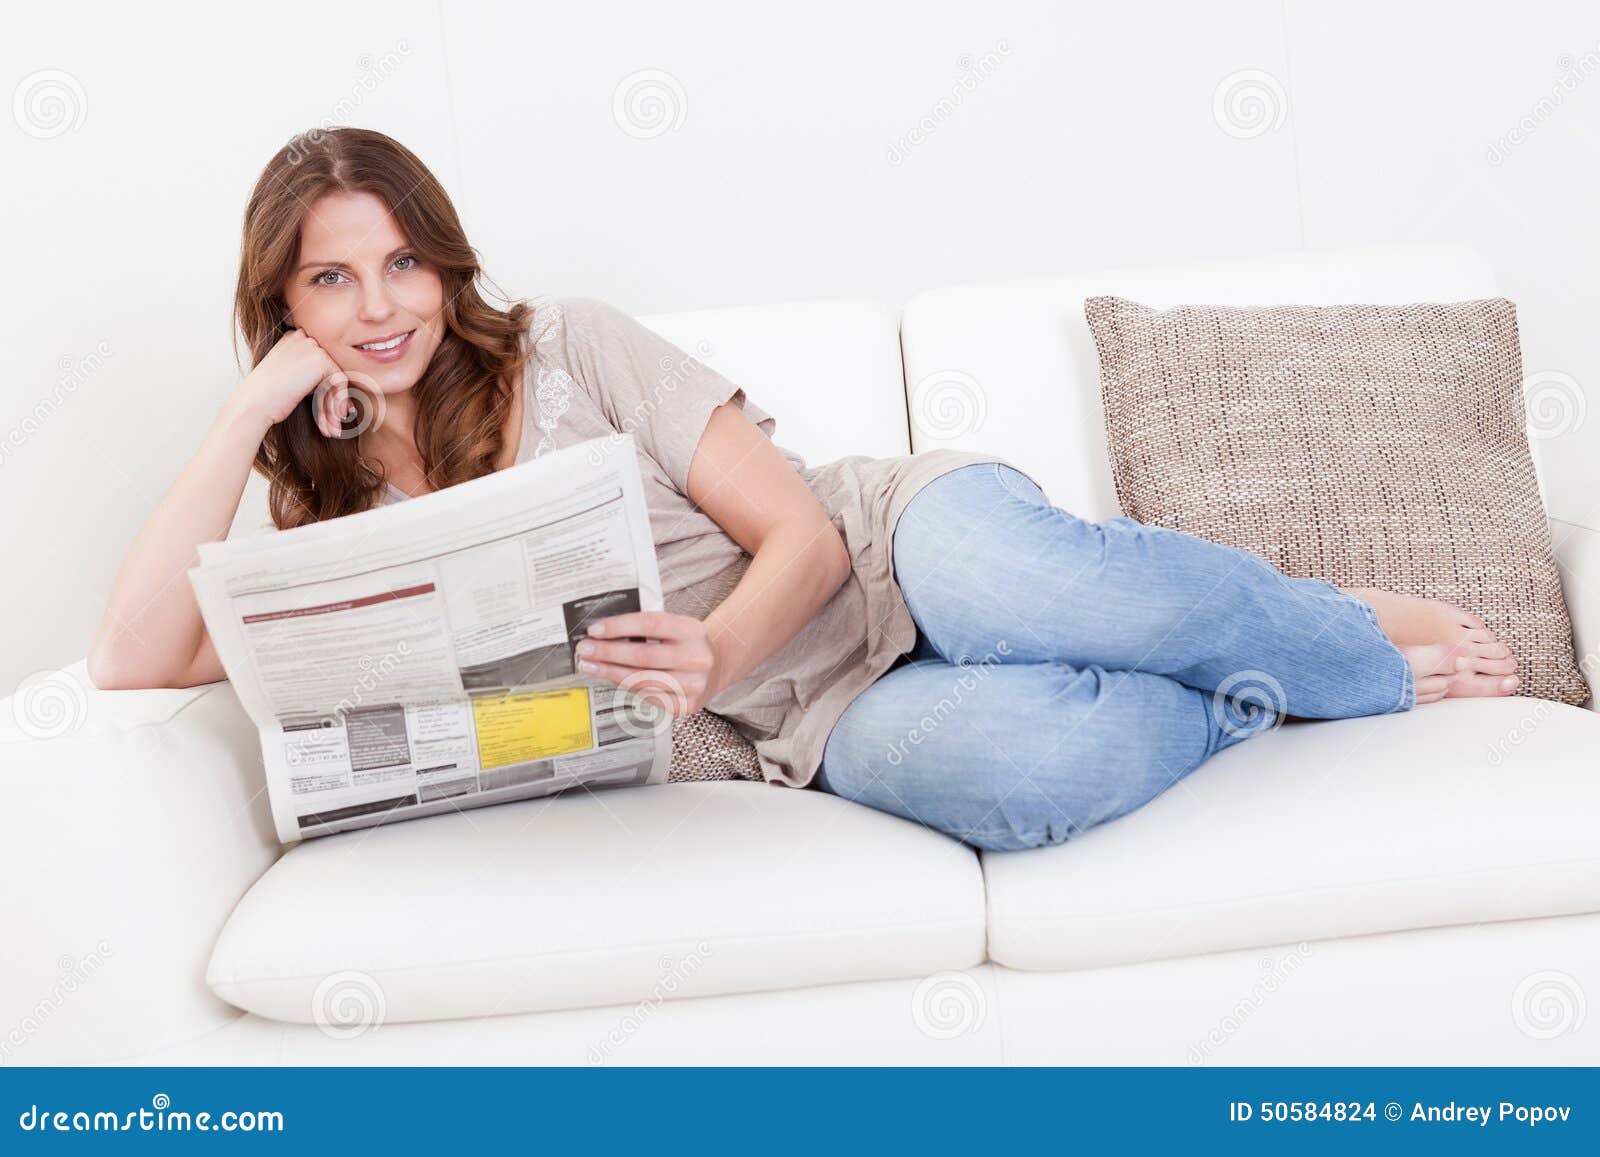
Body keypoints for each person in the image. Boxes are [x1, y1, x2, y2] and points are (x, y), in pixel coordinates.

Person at [87, 128, 1519, 853]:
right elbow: (133, 658)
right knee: (1017, 779)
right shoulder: (330, 525)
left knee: (1028, 585)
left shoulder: (568, 343)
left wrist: (710, 650)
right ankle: (1230, 682)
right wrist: (247, 409)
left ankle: (1345, 647)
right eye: (330, 278)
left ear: (446, 264)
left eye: (400, 261)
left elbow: (799, 538)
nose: (377, 305)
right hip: (818, 716)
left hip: (887, 549)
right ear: (281, 301)